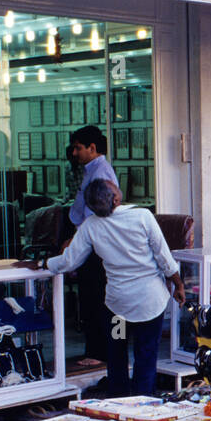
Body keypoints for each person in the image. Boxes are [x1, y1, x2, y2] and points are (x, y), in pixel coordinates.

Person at [40, 181, 185, 397]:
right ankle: (143, 403)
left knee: (116, 351)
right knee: (145, 353)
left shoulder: (90, 225)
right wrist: (178, 284)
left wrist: (43, 264)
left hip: (118, 308)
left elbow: (69, 261)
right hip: (149, 305)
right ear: (116, 198)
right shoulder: (143, 217)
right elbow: (164, 257)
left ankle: (118, 400)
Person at [68, 125, 118, 368]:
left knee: (95, 298)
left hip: (95, 245)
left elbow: (94, 215)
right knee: (89, 298)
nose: (74, 153)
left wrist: (74, 242)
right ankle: (97, 350)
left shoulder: (100, 172)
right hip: (89, 241)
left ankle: (99, 352)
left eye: (78, 148)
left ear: (92, 148)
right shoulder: (90, 170)